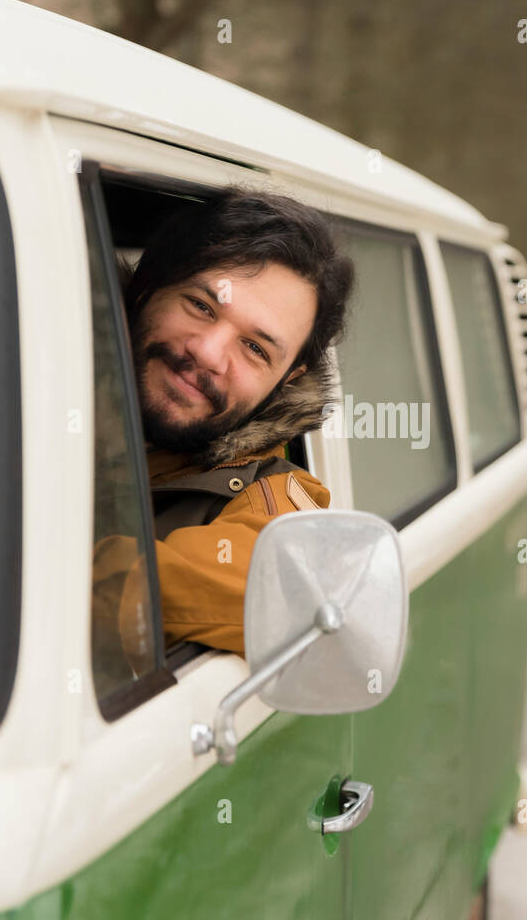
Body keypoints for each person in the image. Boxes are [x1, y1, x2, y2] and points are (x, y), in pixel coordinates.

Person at [91, 184, 355, 677]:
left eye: (255, 349)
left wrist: (32, 596)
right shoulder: (14, 371)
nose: (209, 353)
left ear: (288, 378)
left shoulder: (271, 497)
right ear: (148, 286)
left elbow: (287, 592)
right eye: (202, 306)